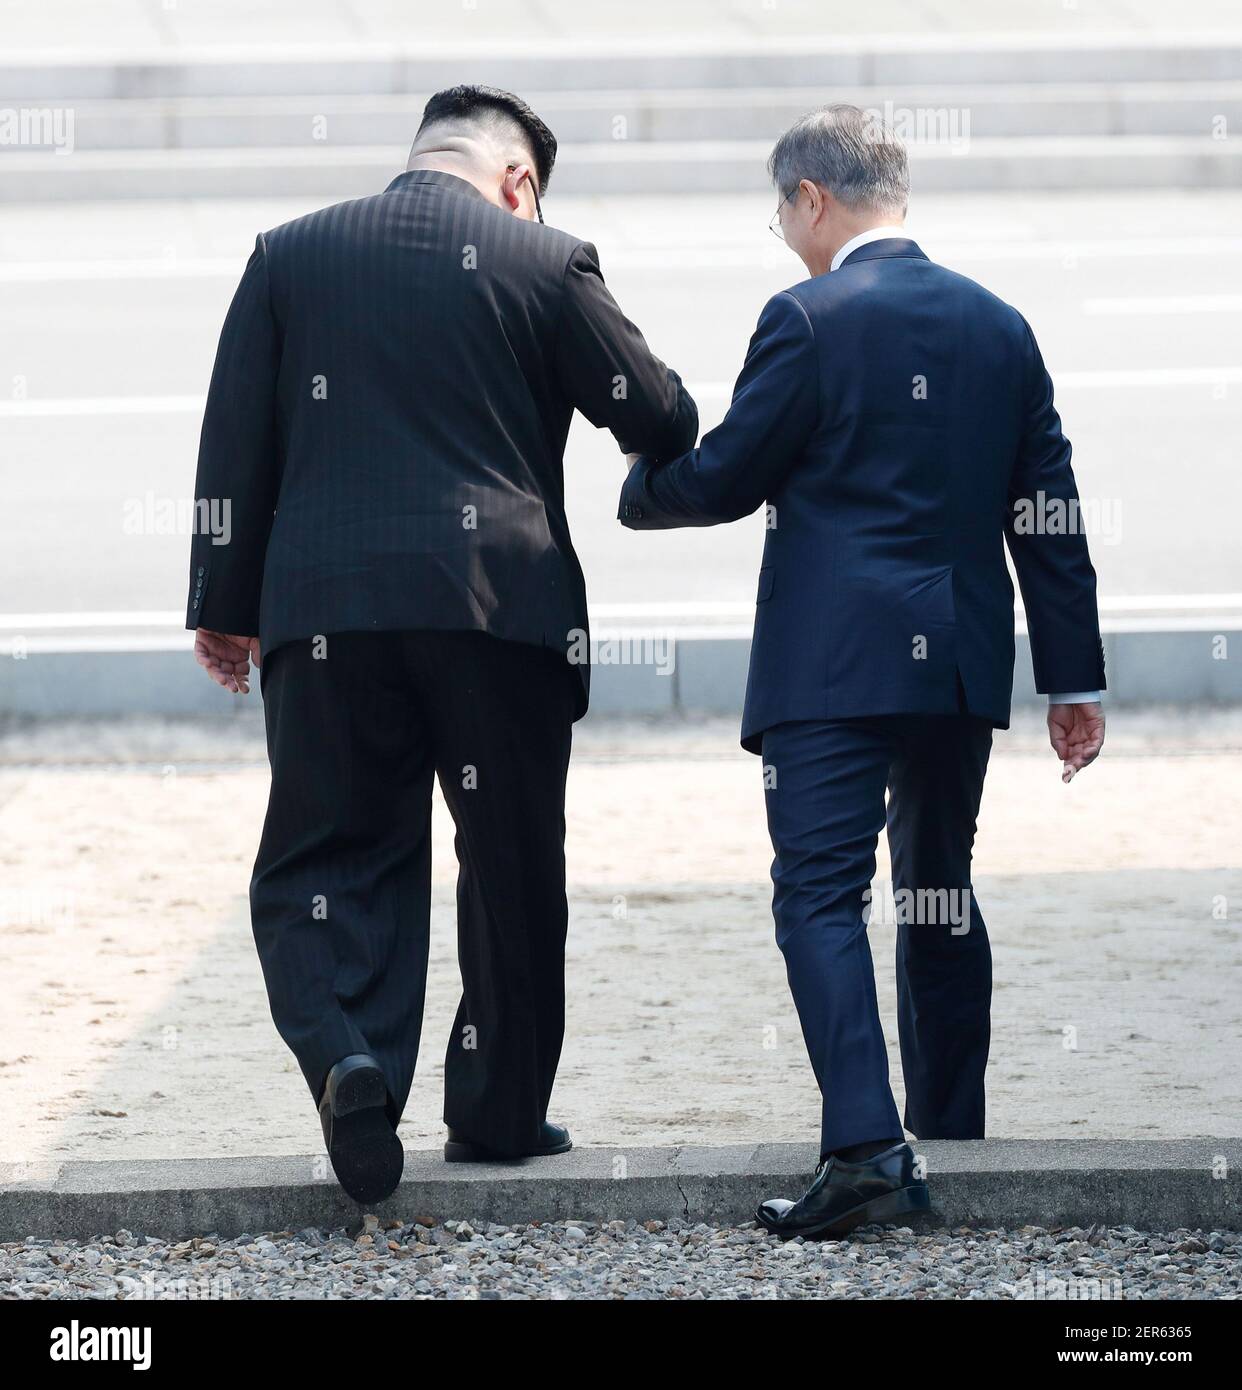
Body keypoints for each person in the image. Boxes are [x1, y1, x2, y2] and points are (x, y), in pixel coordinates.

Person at [188, 84, 696, 1203]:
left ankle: (347, 1055)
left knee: (327, 858)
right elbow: (656, 414)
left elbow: (235, 434)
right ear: (518, 182)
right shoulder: (544, 260)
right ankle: (499, 1111)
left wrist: (222, 603)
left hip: (327, 617)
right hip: (499, 612)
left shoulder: (290, 254)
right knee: (511, 863)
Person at [619, 104, 1105, 1239]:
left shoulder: (805, 315)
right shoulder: (1001, 324)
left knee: (821, 895)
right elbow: (1050, 514)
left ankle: (867, 1147)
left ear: (812, 201)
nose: (781, 229)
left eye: (779, 208)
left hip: (831, 667)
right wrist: (1072, 682)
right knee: (937, 887)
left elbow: (731, 474)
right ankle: (948, 1131)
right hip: (955, 667)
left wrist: (643, 483)